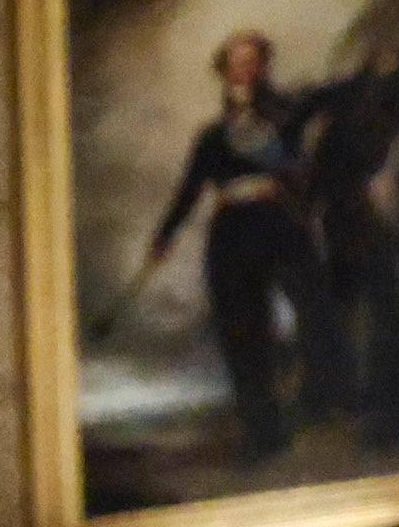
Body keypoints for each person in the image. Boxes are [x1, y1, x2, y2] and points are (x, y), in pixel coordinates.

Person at [126, 31, 328, 461]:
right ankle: (262, 431)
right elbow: (189, 189)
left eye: (252, 60)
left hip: (278, 226)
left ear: (261, 67)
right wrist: (164, 236)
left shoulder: (283, 120)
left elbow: (300, 168)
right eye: (235, 61)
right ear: (224, 70)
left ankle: (318, 407)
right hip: (232, 235)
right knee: (241, 332)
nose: (244, 68)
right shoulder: (213, 136)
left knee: (314, 315)